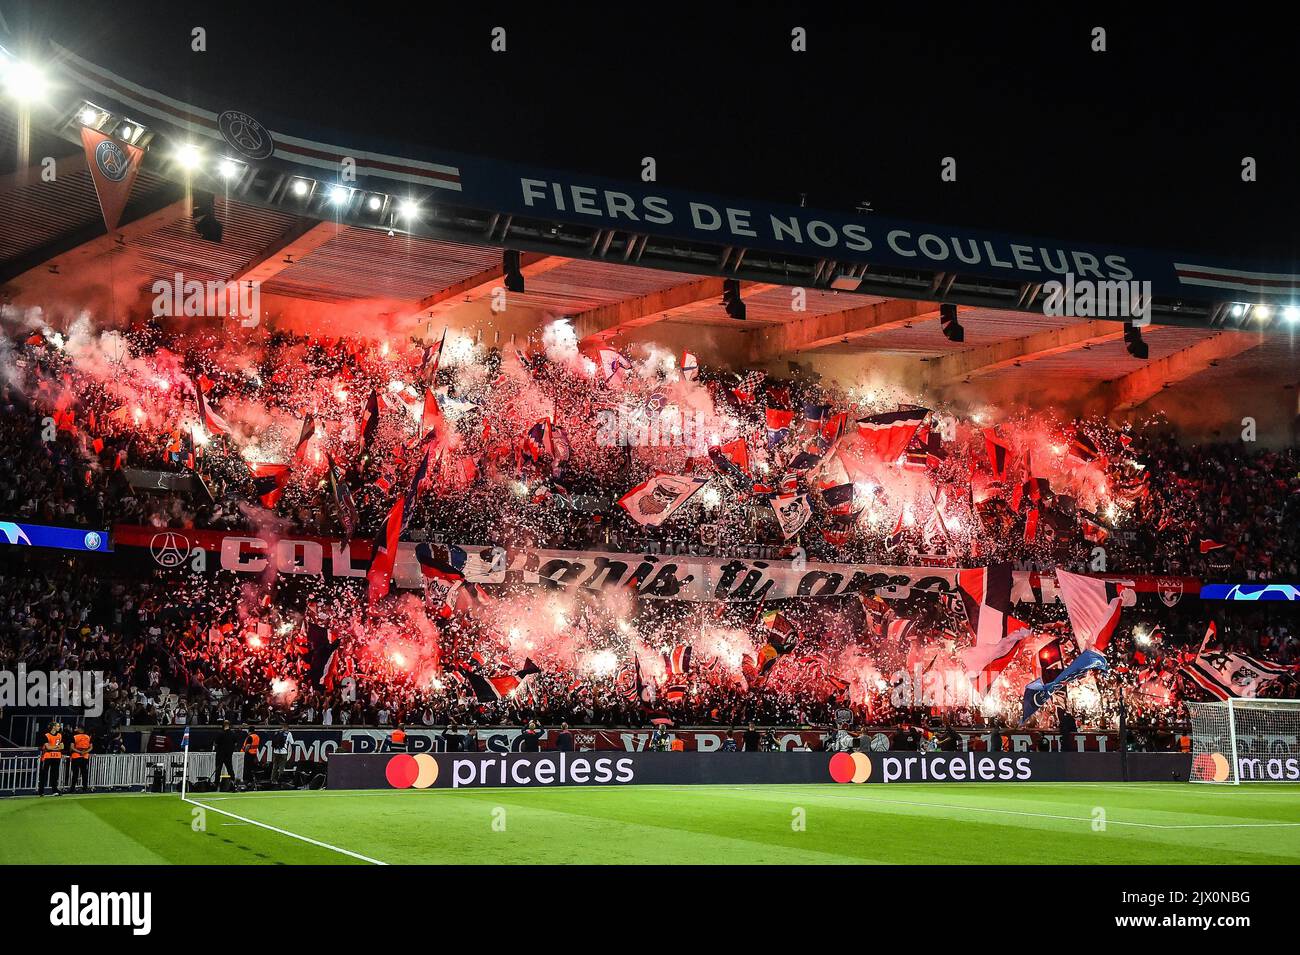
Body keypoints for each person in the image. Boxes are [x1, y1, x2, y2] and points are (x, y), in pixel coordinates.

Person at [38, 721, 64, 797]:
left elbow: (62, 747)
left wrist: (53, 748)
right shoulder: (46, 735)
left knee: (55, 775)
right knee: (43, 774)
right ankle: (41, 791)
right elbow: (48, 747)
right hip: (47, 757)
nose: (59, 727)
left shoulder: (60, 735)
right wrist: (56, 747)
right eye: (58, 726)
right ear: (53, 727)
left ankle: (54, 790)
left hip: (56, 757)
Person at [212, 720, 239, 789]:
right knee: (230, 769)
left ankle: (216, 784)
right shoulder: (233, 734)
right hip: (228, 754)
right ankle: (233, 782)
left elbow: (215, 743)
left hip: (220, 754)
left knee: (218, 769)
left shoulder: (220, 733)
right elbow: (236, 744)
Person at [68, 725, 92, 793]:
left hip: (76, 756)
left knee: (75, 773)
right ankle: (85, 788)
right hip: (85, 756)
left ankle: (72, 789)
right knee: (85, 773)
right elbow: (91, 747)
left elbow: (72, 747)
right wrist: (85, 752)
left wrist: (79, 752)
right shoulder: (88, 737)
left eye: (76, 728)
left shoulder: (74, 736)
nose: (75, 729)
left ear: (79, 729)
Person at [241, 724, 261, 789]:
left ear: (249, 731)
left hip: (248, 754)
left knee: (247, 769)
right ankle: (252, 782)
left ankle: (247, 782)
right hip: (254, 754)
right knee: (252, 769)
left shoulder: (250, 737)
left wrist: (245, 751)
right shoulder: (257, 736)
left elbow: (247, 746)